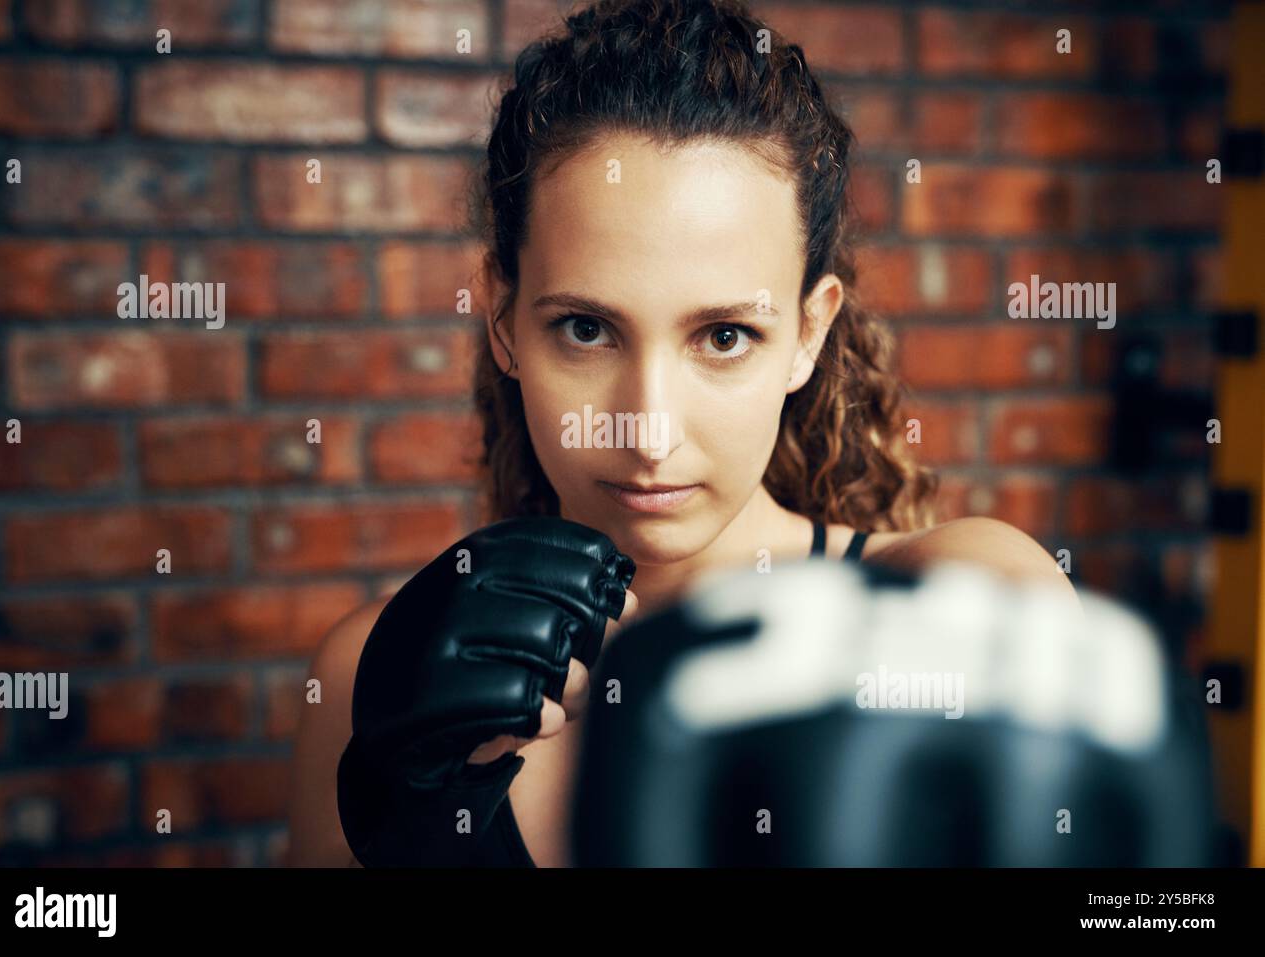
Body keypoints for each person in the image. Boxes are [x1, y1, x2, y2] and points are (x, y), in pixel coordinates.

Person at [287, 0, 1075, 868]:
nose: (649, 429)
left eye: (724, 336)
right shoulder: (372, 678)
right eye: (587, 329)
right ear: (503, 315)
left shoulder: (962, 599)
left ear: (808, 334)